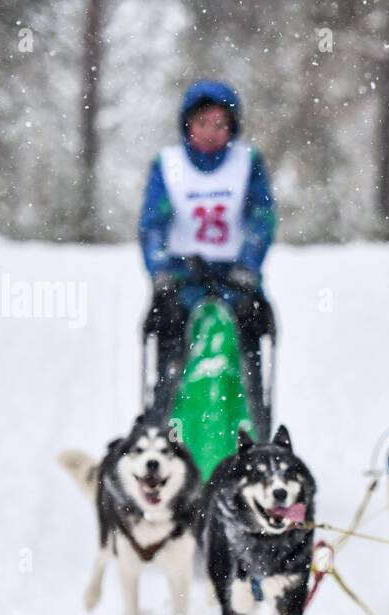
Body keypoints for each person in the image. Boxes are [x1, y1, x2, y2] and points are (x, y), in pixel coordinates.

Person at [137, 79, 278, 440]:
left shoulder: (248, 163)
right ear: (188, 125)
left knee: (246, 359)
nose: (212, 132)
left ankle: (255, 441)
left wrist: (248, 265)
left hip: (235, 278)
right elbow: (153, 225)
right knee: (172, 359)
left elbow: (260, 218)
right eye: (203, 123)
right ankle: (158, 443)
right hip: (184, 278)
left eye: (220, 124)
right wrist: (161, 272)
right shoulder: (167, 165)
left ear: (232, 126)